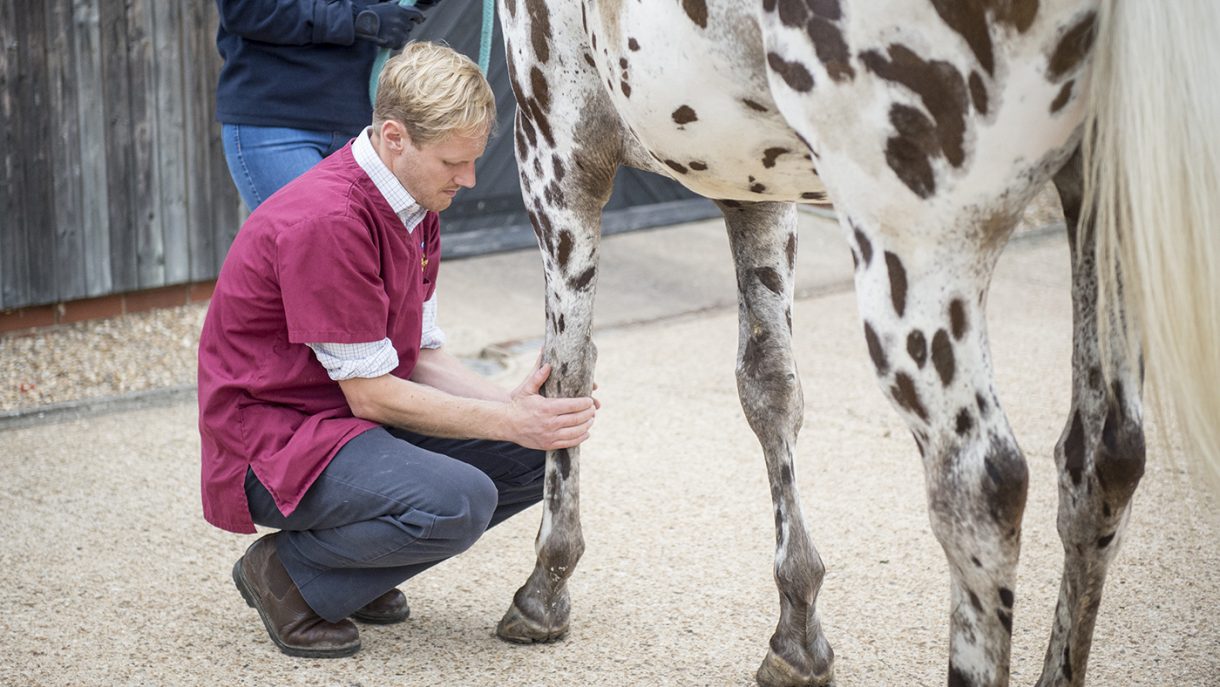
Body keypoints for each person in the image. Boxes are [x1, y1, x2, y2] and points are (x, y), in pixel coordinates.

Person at [197, 42, 598, 659]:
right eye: (452, 163)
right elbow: (373, 392)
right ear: (394, 138)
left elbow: (423, 356)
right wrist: (508, 419)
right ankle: (287, 574)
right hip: (273, 444)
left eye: (473, 161)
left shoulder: (415, 201)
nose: (466, 180)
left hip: (341, 426)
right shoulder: (328, 220)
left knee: (532, 456)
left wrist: (515, 407)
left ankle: (357, 575)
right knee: (459, 500)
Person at [214, 0, 441, 210]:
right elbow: (245, 9)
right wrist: (358, 20)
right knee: (317, 247)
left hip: (361, 125)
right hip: (278, 123)